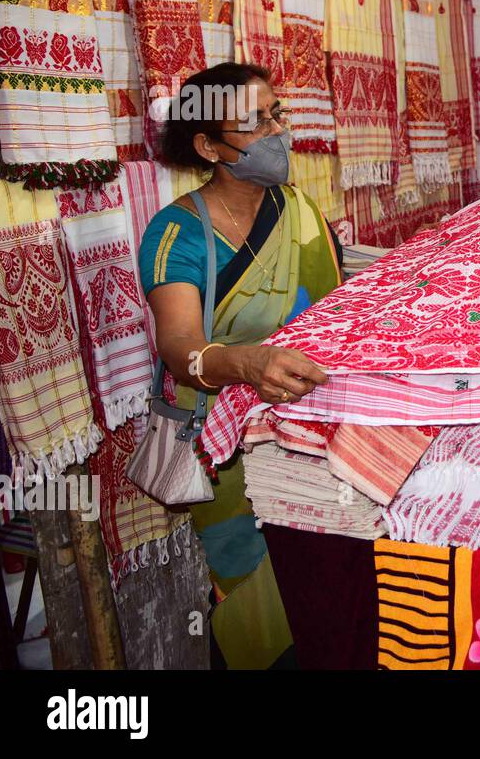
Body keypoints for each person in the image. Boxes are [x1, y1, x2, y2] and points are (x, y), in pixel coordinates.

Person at [138, 62, 343, 669]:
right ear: (208, 146)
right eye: (255, 123)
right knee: (254, 595)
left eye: (278, 113)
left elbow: (332, 309)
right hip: (222, 450)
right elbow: (179, 347)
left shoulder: (301, 211)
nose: (279, 131)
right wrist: (248, 365)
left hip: (310, 434)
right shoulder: (178, 231)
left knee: (323, 586)